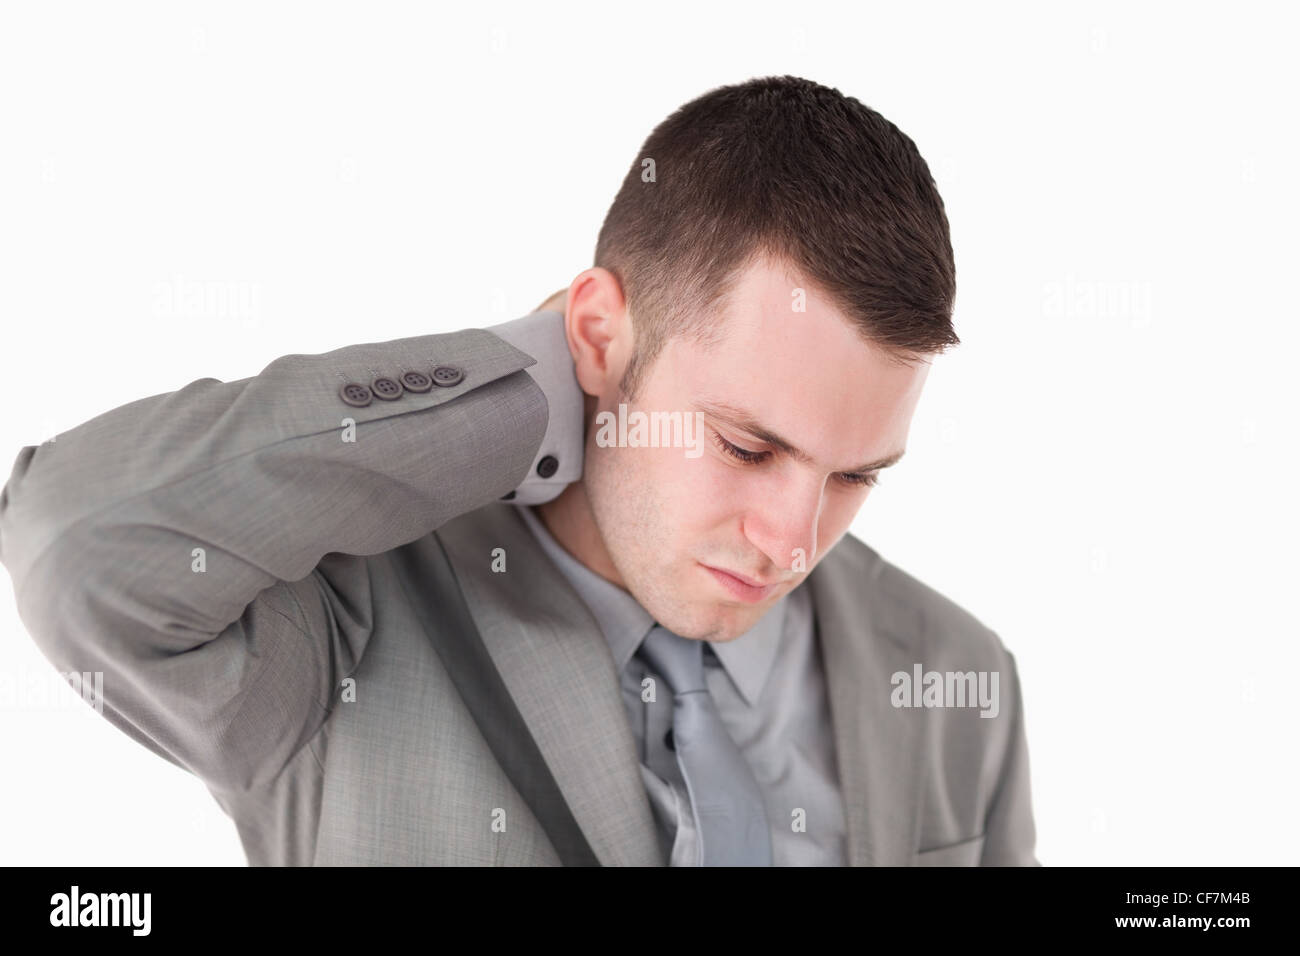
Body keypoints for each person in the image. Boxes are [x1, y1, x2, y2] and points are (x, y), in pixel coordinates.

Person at [0, 75, 1037, 866]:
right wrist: (526, 393)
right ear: (599, 334)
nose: (792, 541)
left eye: (855, 474)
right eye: (746, 446)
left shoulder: (958, 677)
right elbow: (70, 543)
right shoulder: (344, 632)